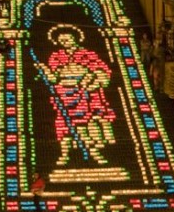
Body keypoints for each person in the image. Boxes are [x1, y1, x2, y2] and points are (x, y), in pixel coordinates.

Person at [34, 24, 116, 166]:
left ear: (75, 38)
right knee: (65, 125)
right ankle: (65, 154)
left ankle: (95, 151)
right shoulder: (56, 56)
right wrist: (44, 71)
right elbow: (54, 78)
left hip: (87, 96)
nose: (65, 42)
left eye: (67, 38)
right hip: (67, 96)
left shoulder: (88, 54)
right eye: (61, 40)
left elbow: (102, 70)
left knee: (86, 124)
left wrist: (91, 79)